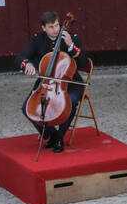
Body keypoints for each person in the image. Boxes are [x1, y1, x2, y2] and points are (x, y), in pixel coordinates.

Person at [17, 11, 90, 153]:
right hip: (45, 84)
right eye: (51, 27)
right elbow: (21, 57)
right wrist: (27, 65)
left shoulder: (71, 38)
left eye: (57, 25)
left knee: (70, 103)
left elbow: (84, 63)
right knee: (27, 108)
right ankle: (52, 135)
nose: (55, 29)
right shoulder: (37, 40)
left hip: (70, 83)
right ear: (43, 28)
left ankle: (60, 137)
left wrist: (70, 46)